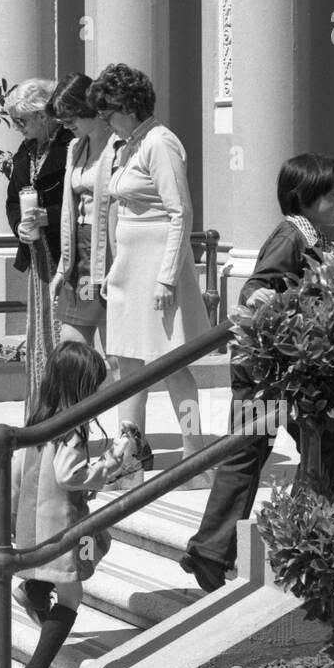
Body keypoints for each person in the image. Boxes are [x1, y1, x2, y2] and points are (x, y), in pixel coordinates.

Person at [181, 152, 334, 593]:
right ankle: (303, 544)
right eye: (332, 194)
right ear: (305, 195)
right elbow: (257, 291)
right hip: (268, 369)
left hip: (274, 368)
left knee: (251, 450)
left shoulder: (310, 237)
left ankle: (212, 550)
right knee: (324, 446)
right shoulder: (292, 235)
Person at [91, 64, 208, 479]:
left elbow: (180, 212)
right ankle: (130, 455)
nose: (103, 118)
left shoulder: (160, 142)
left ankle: (196, 456)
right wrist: (112, 268)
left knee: (174, 366)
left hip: (159, 268)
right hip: (130, 268)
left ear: (128, 105)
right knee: (127, 366)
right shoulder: (128, 144)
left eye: (108, 109)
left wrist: (166, 277)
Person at [12, 341, 142, 668]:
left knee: (95, 543)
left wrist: (11, 518)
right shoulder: (72, 430)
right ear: (81, 388)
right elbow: (70, 476)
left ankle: (35, 589)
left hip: (31, 523)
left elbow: (16, 471)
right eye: (96, 384)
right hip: (62, 527)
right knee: (72, 596)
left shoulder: (37, 422)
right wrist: (114, 459)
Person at [4, 79, 72, 414]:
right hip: (36, 256)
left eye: (22, 120)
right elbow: (12, 200)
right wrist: (19, 225)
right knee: (40, 335)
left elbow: (85, 204)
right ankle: (41, 408)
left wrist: (50, 216)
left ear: (43, 115)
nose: (18, 127)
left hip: (65, 256)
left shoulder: (71, 146)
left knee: (63, 333)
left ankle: (65, 411)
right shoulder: (26, 150)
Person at [46, 73, 115, 352]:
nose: (66, 124)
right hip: (79, 251)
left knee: (116, 352)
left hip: (108, 250)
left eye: (70, 115)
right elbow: (68, 209)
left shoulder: (118, 144)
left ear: (88, 107)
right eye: (61, 119)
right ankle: (80, 398)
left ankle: (119, 396)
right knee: (71, 346)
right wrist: (63, 267)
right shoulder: (75, 146)